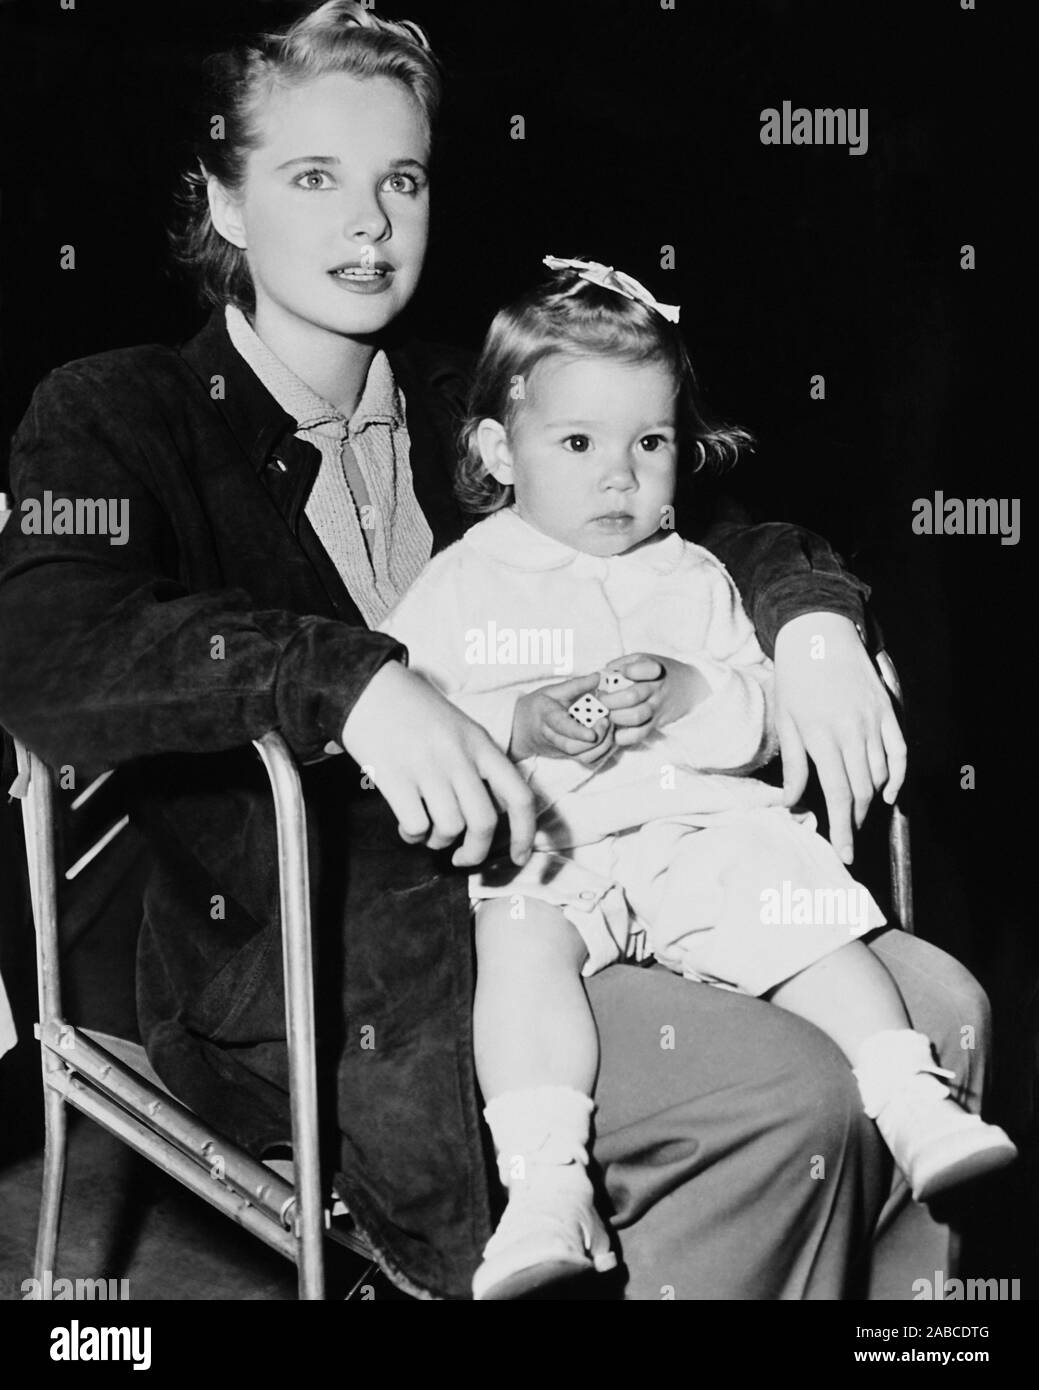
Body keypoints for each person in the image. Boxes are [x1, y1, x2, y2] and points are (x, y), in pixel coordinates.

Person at [0, 1, 993, 1300]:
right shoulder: (121, 410)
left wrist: (808, 620)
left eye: (398, 179)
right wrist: (351, 678)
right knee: (783, 1095)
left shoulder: (459, 394)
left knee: (941, 1007)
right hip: (355, 953)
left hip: (628, 850)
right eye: (312, 177)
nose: (368, 223)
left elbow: (694, 512)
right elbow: (52, 645)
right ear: (225, 205)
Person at [377, 258, 1017, 1299]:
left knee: (811, 922)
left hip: (701, 835)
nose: (618, 476)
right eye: (578, 444)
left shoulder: (694, 573)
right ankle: (547, 1186)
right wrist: (517, 718)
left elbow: (763, 717)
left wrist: (688, 694)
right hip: (557, 840)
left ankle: (908, 1092)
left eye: (650, 443)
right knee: (519, 948)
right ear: (499, 450)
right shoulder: (462, 579)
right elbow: (404, 706)